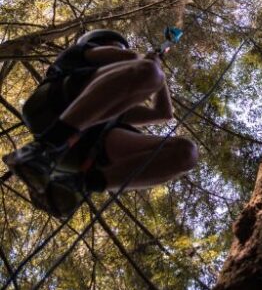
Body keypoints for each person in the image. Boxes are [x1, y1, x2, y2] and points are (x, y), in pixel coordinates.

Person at [3, 29, 198, 216]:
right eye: (117, 46)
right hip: (51, 106)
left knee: (185, 153)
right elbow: (136, 62)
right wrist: (151, 61)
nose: (120, 51)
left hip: (80, 151)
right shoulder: (80, 54)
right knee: (149, 72)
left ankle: (81, 184)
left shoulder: (111, 100)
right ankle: (45, 147)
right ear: (98, 42)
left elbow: (162, 113)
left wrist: (157, 67)